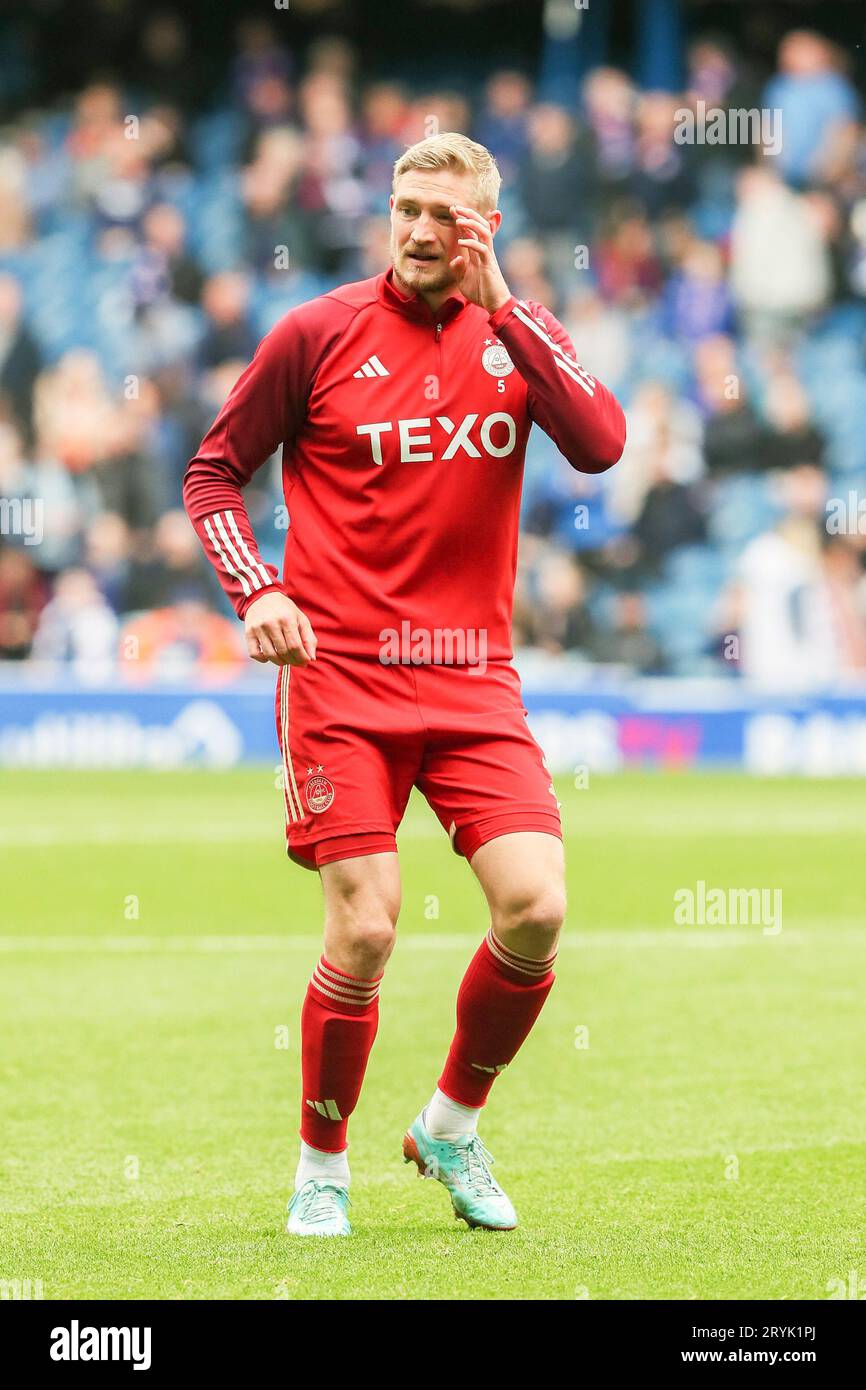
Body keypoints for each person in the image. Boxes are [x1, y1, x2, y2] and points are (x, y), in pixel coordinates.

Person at [183, 133, 625, 1237]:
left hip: (474, 680)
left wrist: (511, 308)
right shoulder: (315, 333)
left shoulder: (513, 335)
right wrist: (257, 593)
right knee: (367, 931)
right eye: (405, 205)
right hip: (338, 677)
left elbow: (602, 442)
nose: (421, 228)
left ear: (485, 224)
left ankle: (448, 1125)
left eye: (445, 212)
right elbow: (211, 472)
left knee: (536, 908)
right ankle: (321, 1164)